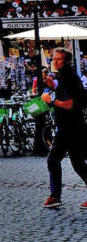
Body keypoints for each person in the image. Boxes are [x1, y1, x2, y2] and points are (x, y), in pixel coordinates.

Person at [42, 48, 87, 208]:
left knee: (54, 160)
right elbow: (65, 96)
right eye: (54, 59)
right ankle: (55, 196)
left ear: (67, 61)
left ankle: (55, 196)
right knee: (78, 163)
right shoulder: (63, 77)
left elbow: (72, 103)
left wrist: (51, 101)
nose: (56, 62)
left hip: (71, 128)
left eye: (59, 59)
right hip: (70, 127)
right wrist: (53, 85)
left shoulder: (69, 77)